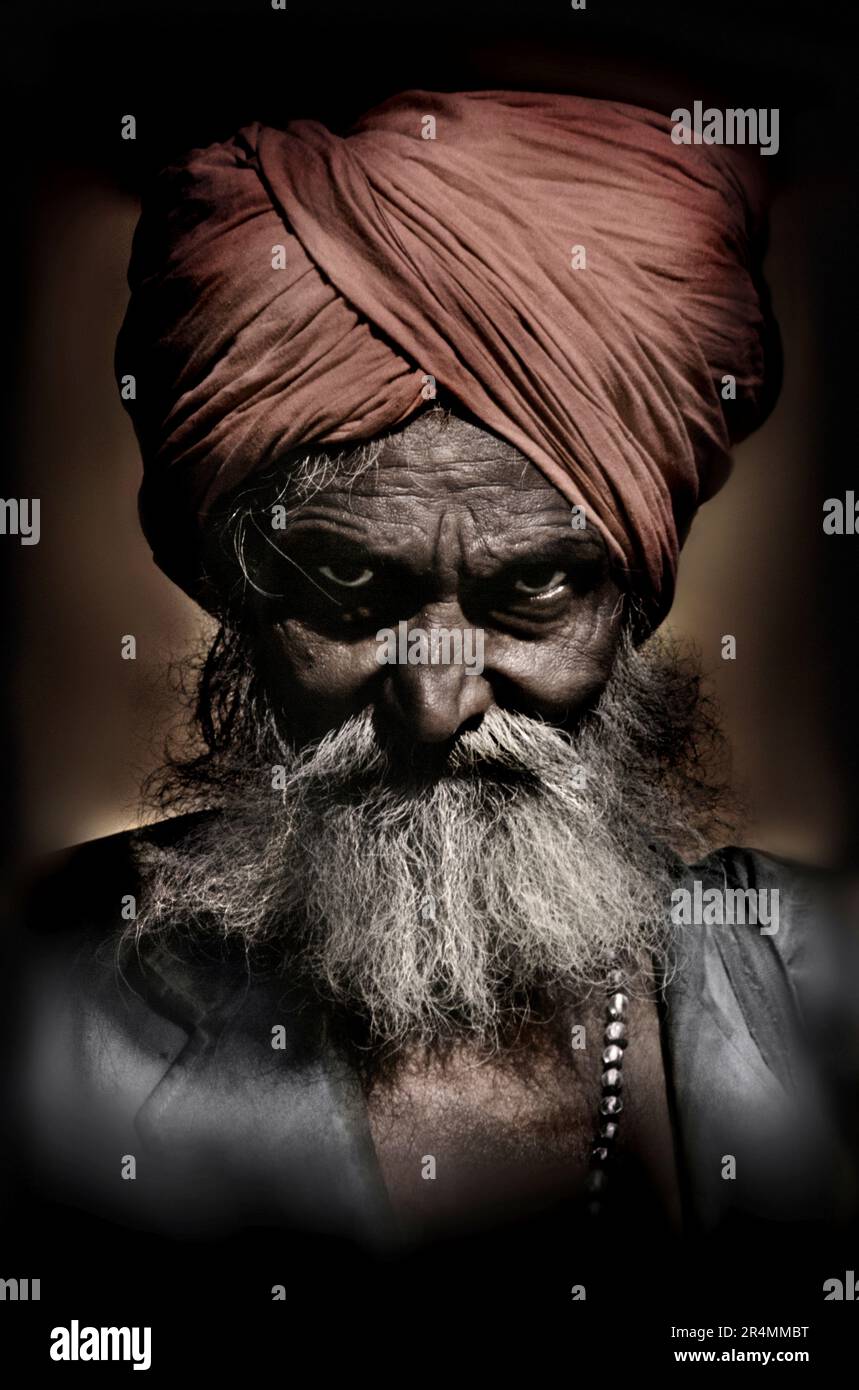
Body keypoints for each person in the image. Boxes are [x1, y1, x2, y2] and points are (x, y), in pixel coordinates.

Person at [8, 90, 859, 1266]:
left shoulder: (820, 975)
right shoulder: (39, 1008)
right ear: (242, 609)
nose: (434, 703)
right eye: (348, 592)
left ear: (632, 604)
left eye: (533, 594)